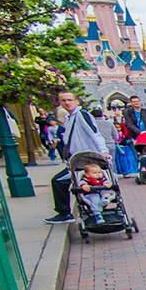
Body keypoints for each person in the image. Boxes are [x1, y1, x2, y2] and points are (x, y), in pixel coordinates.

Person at [43, 89, 110, 224]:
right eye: (64, 100)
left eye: (70, 100)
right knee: (62, 181)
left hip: (86, 160)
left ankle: (64, 213)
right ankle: (67, 211)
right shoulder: (70, 118)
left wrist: (104, 151)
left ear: (76, 101)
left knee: (58, 181)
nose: (67, 103)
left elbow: (94, 133)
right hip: (77, 159)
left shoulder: (81, 115)